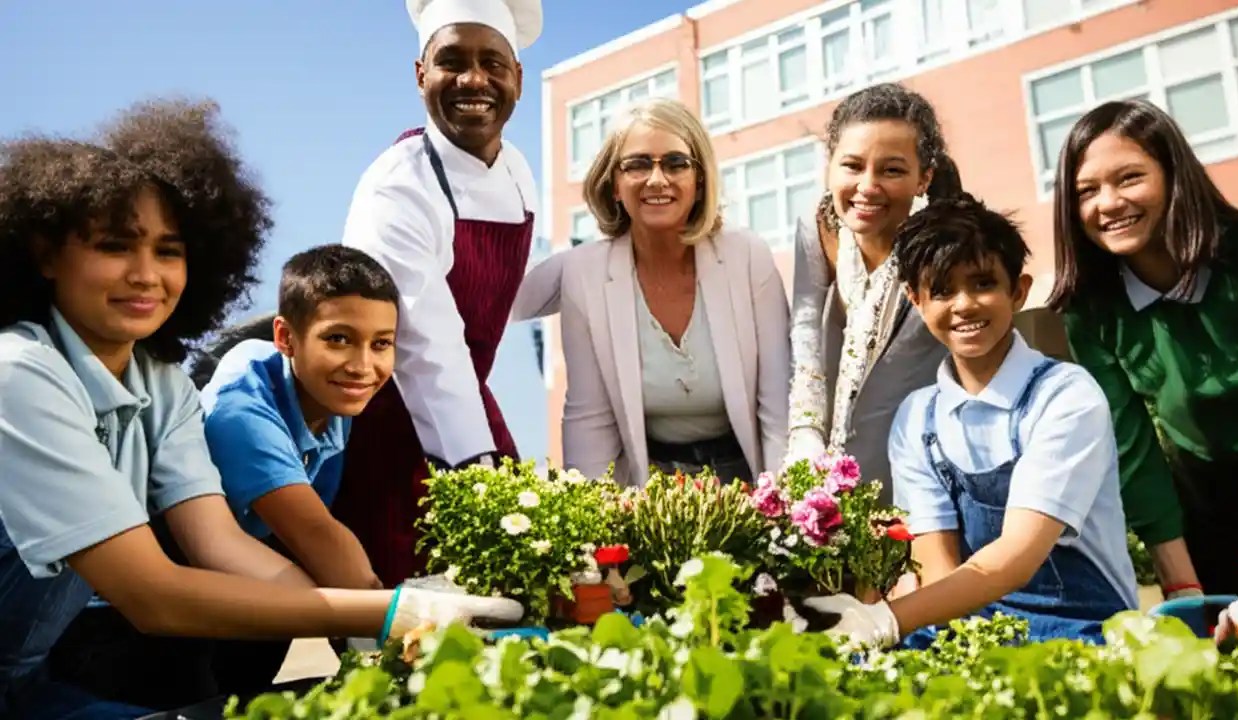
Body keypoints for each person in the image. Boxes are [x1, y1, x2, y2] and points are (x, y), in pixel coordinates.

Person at [0, 99, 520, 719]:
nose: (146, 275)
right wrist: (388, 614)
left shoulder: (159, 381)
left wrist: (370, 633)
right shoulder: (20, 375)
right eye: (116, 246)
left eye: (169, 251)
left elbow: (223, 543)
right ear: (45, 253)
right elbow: (150, 594)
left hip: (31, 683)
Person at [801, 194, 1138, 648]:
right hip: (975, 620)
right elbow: (937, 568)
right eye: (941, 290)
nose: (964, 305)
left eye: (982, 284)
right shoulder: (918, 419)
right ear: (915, 300)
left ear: (1018, 291)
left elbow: (1016, 558)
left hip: (1082, 625)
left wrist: (879, 620)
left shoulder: (1064, 396)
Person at [1047, 99, 1238, 661]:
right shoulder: (1091, 306)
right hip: (1208, 502)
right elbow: (1133, 447)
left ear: (1175, 178)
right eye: (1086, 191)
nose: (1109, 204)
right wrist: (1182, 589)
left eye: (1130, 179)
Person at [333, 0, 543, 588]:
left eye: (492, 63)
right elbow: (427, 347)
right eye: (452, 61)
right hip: (393, 420)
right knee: (413, 617)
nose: (474, 80)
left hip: (467, 399)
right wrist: (482, 481)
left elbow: (505, 296)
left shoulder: (519, 172)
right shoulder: (397, 185)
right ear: (421, 74)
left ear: (518, 80)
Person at [512, 97, 790, 486]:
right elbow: (590, 419)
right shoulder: (584, 273)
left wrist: (784, 512)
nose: (657, 179)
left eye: (676, 163)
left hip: (750, 480)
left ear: (700, 180)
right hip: (647, 491)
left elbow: (779, 406)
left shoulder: (747, 256)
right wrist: (595, 531)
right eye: (638, 164)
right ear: (613, 185)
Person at [196, 244, 399, 694]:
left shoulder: (334, 397)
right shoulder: (241, 412)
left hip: (246, 601)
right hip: (160, 623)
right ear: (286, 338)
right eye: (338, 339)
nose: (362, 365)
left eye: (381, 343)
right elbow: (315, 533)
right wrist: (410, 630)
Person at [785, 83, 960, 501]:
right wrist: (805, 442)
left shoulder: (948, 246)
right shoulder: (817, 231)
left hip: (928, 484)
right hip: (833, 481)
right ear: (829, 166)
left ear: (924, 178)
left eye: (892, 170)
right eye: (852, 165)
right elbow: (806, 339)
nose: (867, 186)